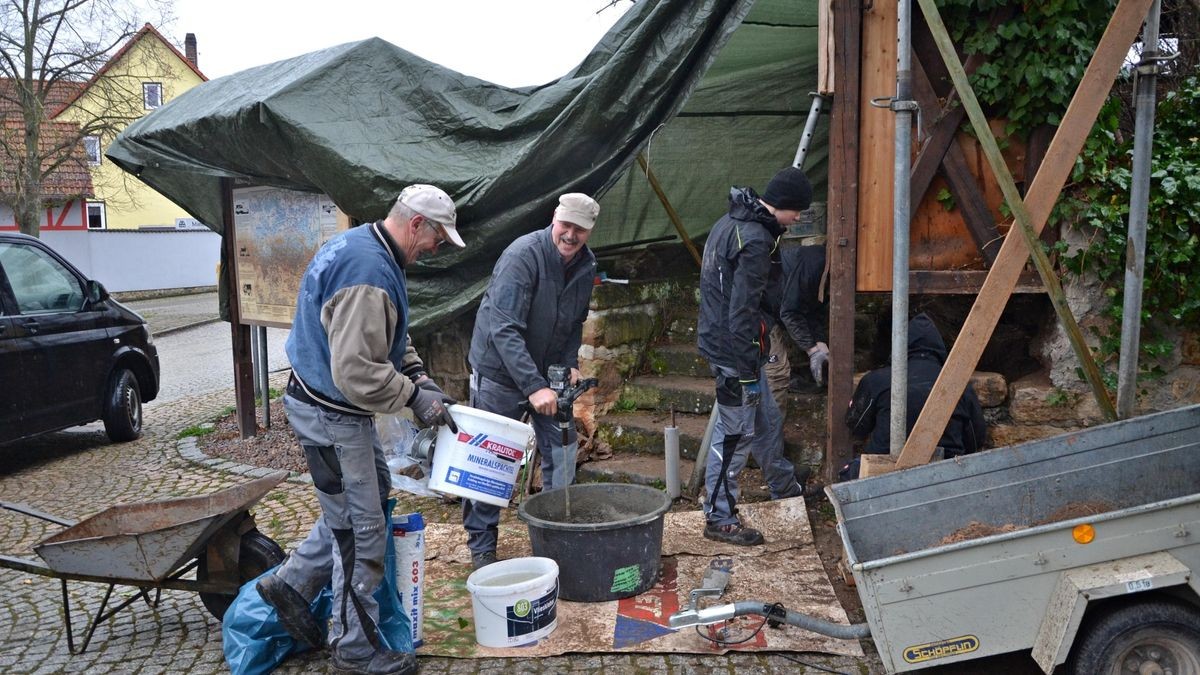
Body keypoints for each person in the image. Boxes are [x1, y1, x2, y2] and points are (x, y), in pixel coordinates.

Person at [256, 184, 464, 675]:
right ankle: (354, 650)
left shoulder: (370, 249)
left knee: (369, 498)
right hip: (330, 411)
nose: (437, 248)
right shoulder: (368, 270)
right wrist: (415, 400)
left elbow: (388, 335)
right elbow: (357, 372)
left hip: (332, 406)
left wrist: (419, 375)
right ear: (416, 224)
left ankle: (290, 582)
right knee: (362, 530)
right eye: (437, 237)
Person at [463, 192, 601, 570]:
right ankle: (482, 546)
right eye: (566, 226)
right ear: (554, 219)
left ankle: (555, 534)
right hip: (500, 373)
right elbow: (503, 328)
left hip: (548, 373)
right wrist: (532, 385)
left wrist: (569, 363)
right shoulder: (523, 255)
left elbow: (574, 323)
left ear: (589, 231)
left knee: (562, 450)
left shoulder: (586, 265)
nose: (570, 235)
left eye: (580, 230)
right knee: (489, 460)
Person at [698, 166, 812, 546]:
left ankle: (786, 488)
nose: (798, 218)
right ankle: (719, 519)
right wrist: (745, 367)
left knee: (765, 420)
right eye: (797, 210)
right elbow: (742, 309)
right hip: (736, 350)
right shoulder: (756, 240)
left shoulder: (729, 221)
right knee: (734, 435)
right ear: (783, 205)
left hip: (730, 343)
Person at [841, 313, 987, 479]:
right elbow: (976, 438)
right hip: (947, 471)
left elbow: (855, 424)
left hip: (883, 470)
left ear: (900, 344)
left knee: (849, 472)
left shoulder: (877, 380)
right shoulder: (959, 384)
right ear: (939, 347)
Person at [765, 240, 829, 404]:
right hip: (760, 308)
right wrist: (813, 350)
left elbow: (816, 309)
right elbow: (790, 311)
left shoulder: (827, 270)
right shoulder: (814, 264)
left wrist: (820, 341)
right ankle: (770, 428)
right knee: (776, 373)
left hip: (777, 303)